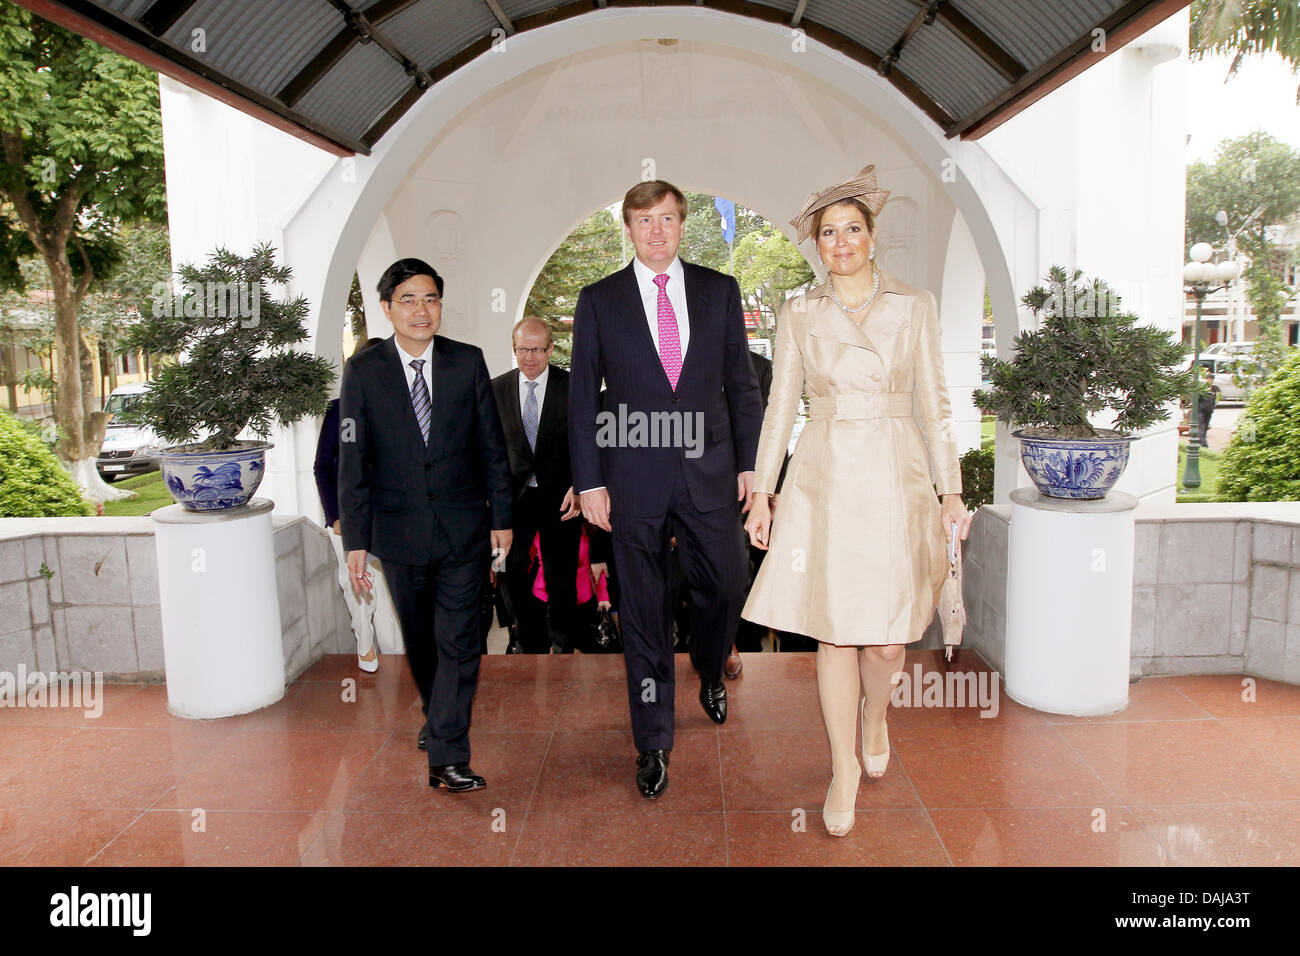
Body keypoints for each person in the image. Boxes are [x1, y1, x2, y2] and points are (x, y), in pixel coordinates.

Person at [742, 166, 972, 837]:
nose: (839, 242)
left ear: (872, 238)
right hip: (827, 477)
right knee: (834, 631)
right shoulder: (800, 313)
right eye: (827, 233)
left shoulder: (915, 304)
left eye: (851, 229)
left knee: (890, 643)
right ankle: (843, 764)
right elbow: (780, 406)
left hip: (897, 474)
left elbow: (936, 400)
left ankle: (876, 717)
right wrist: (764, 493)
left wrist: (949, 486)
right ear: (817, 245)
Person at [569, 179, 764, 800]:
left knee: (728, 582)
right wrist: (589, 479)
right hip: (632, 479)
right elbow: (581, 402)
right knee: (644, 612)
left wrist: (752, 466)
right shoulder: (599, 301)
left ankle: (709, 664)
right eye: (643, 220)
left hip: (711, 471)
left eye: (667, 219)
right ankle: (652, 741)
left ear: (682, 225)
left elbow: (742, 384)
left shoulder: (719, 291)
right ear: (627, 229)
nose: (656, 230)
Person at [338, 258, 513, 794]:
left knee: (460, 640)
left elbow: (491, 446)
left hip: (463, 529)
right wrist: (357, 542)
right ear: (387, 308)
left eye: (431, 299)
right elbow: (353, 458)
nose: (421, 310)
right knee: (422, 642)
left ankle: (447, 754)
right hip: (399, 534)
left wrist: (501, 518)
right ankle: (440, 712)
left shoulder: (467, 362)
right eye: (409, 300)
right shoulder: (364, 372)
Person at [491, 317, 583, 653]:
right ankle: (529, 638)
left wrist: (581, 486)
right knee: (509, 569)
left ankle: (562, 643)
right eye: (522, 349)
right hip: (512, 499)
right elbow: (486, 449)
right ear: (514, 348)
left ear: (550, 349)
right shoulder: (494, 389)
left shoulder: (574, 388)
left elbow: (588, 443)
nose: (529, 357)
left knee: (561, 575)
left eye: (537, 349)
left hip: (562, 497)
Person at [314, 336, 402, 673]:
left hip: (386, 518)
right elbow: (322, 466)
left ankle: (395, 653)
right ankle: (364, 642)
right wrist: (334, 515)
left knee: (386, 588)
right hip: (347, 520)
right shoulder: (338, 410)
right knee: (355, 582)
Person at [1197, 366, 1220, 448]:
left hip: (1209, 411)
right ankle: (1204, 444)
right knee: (1202, 427)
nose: (1210, 381)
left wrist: (1213, 407)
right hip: (1201, 410)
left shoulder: (1214, 389)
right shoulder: (1202, 388)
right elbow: (1197, 399)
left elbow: (1216, 399)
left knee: (1205, 427)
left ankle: (1200, 440)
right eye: (1209, 379)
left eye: (1211, 380)